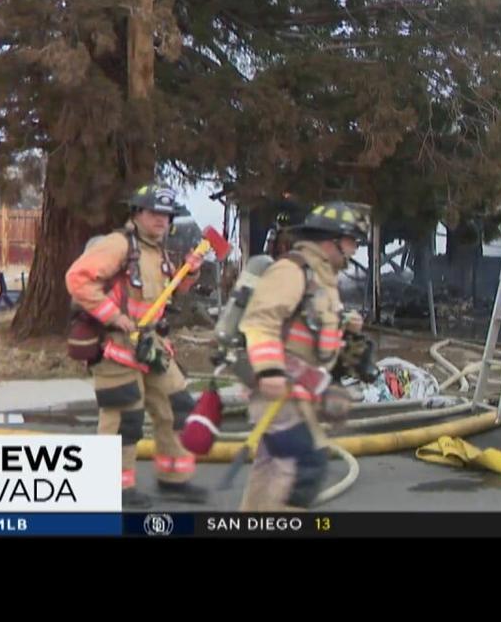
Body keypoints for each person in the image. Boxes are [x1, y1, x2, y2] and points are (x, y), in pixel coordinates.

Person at [65, 185, 210, 509]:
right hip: (116, 347)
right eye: (155, 213)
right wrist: (113, 316)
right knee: (124, 418)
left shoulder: (157, 250)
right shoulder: (119, 245)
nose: (162, 220)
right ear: (137, 213)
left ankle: (174, 479)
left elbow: (172, 291)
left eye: (167, 215)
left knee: (177, 407)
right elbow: (77, 278)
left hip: (151, 344)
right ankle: (116, 488)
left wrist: (191, 272)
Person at [237, 201, 369, 511]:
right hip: (278, 390)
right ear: (332, 241)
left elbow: (308, 326)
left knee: (275, 469)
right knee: (302, 465)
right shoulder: (291, 271)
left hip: (299, 391)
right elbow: (260, 321)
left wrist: (344, 324)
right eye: (351, 241)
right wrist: (269, 371)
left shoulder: (322, 279)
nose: (354, 250)